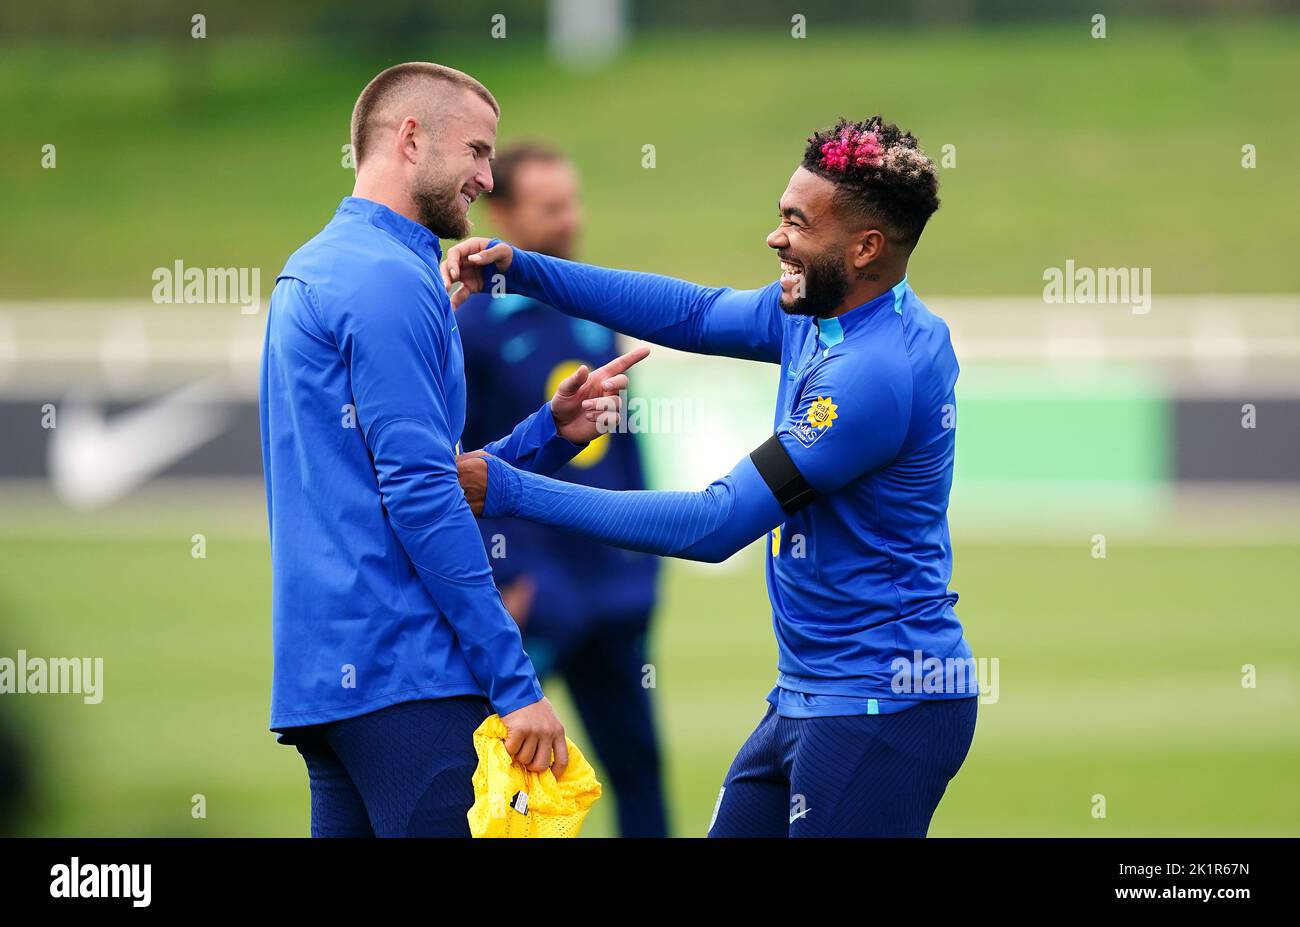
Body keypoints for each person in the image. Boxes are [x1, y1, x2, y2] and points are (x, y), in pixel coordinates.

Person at [445, 117, 978, 837]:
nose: (775, 237)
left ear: (865, 248)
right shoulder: (819, 310)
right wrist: (526, 270)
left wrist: (505, 484)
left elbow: (714, 522)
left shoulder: (873, 376)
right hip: (810, 692)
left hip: (883, 702)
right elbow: (693, 313)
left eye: (796, 221)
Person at [258, 61, 644, 836]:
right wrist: (515, 680)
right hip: (409, 676)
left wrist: (549, 432)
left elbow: (424, 473)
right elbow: (423, 496)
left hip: (329, 682)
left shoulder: (321, 266)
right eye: (474, 149)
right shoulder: (389, 282)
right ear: (409, 138)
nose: (485, 174)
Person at [456, 143, 667, 837]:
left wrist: (646, 563)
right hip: (531, 597)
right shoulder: (469, 329)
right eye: (550, 208)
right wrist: (503, 573)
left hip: (610, 590)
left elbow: (628, 456)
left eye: (572, 203)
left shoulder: (591, 314)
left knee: (638, 774)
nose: (569, 221)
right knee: (506, 784)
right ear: (502, 211)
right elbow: (456, 470)